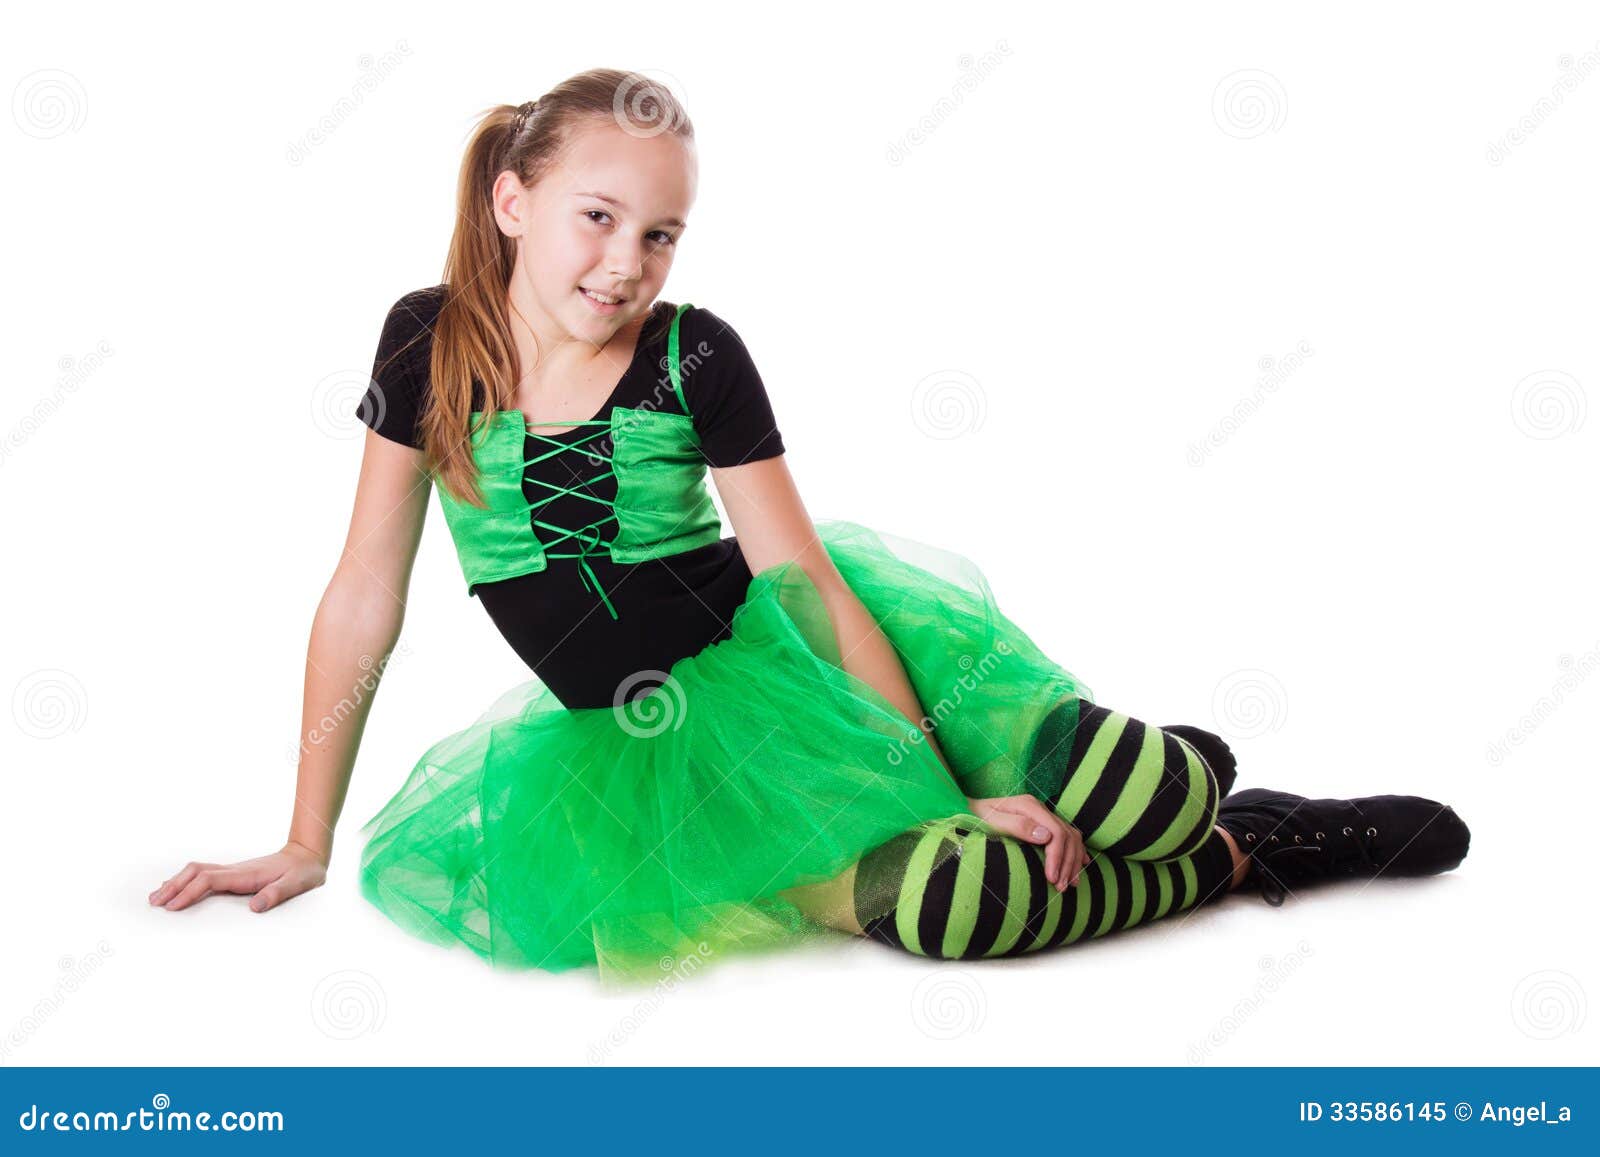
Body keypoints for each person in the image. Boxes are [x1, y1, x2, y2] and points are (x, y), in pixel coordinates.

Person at [147, 69, 1471, 986]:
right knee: (964, 904)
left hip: (820, 669)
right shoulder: (425, 341)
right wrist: (306, 834)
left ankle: (1152, 785)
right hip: (657, 757)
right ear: (511, 201)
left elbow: (809, 584)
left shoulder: (695, 354)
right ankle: (1243, 850)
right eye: (598, 218)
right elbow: (363, 590)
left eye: (661, 235)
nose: (626, 263)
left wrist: (940, 788)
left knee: (1141, 791)